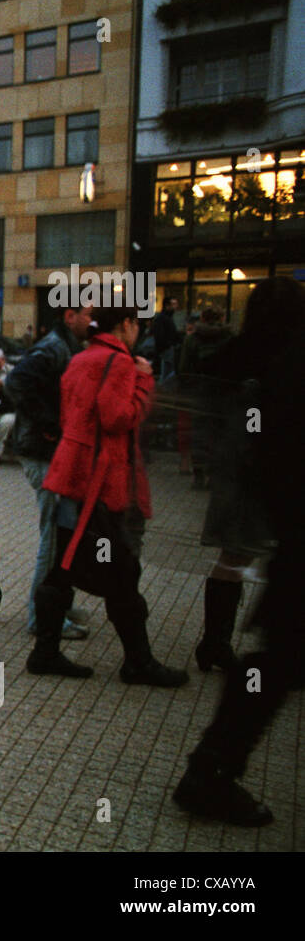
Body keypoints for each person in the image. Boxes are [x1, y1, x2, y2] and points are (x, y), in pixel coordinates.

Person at [172, 277, 305, 827]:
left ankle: (211, 764)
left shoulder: (254, 360)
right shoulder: (282, 367)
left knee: (278, 661)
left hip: (262, 505)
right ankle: (210, 769)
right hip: (267, 508)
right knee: (278, 662)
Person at [27, 302, 188, 686]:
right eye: (138, 325)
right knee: (122, 569)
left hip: (72, 473)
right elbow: (117, 418)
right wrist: (145, 381)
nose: (139, 334)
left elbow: (72, 416)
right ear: (127, 324)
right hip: (97, 482)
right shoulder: (118, 363)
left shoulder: (82, 357)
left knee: (64, 564)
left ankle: (46, 651)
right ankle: (138, 662)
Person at [6, 303, 94, 641]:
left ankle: (55, 605)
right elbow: (17, 381)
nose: (91, 320)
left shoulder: (65, 346)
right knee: (54, 536)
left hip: (48, 452)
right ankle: (41, 616)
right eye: (86, 314)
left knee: (62, 534)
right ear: (69, 315)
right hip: (42, 455)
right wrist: (48, 422)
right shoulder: (54, 348)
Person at [178, 307, 233, 489]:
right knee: (218, 435)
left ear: (202, 318)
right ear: (222, 318)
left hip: (199, 393)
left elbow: (184, 368)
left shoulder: (192, 339)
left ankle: (199, 474)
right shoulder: (230, 338)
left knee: (200, 435)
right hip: (223, 394)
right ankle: (213, 474)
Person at [150, 296, 180, 381]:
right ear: (167, 306)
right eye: (173, 304)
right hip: (166, 349)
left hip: (166, 348)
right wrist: (169, 345)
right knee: (167, 373)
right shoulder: (163, 318)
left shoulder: (166, 318)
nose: (175, 306)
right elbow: (160, 336)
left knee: (167, 372)